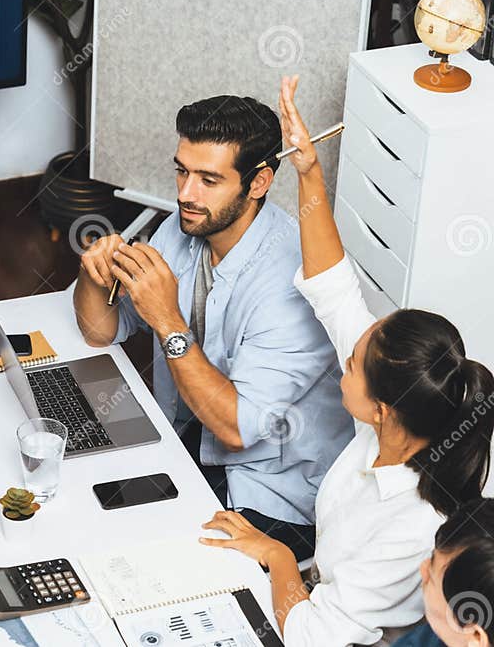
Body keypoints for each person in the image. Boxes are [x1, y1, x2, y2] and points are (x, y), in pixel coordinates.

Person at [201, 76, 494, 646]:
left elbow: (311, 635)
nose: (343, 362)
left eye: (353, 363)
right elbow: (333, 289)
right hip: (314, 592)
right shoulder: (400, 417)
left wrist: (280, 558)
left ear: (383, 410)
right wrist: (309, 172)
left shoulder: (413, 526)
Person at [73, 94, 353, 561]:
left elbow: (236, 428)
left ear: (259, 182)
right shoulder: (185, 228)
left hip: (272, 489)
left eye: (208, 180)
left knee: (147, 556)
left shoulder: (294, 283)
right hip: (189, 441)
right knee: (87, 496)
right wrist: (91, 272)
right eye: (182, 171)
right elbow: (101, 330)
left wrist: (167, 320)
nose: (185, 193)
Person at [394, 498, 494, 646]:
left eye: (432, 578)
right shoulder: (428, 637)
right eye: (432, 557)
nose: (423, 568)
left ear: (476, 637)